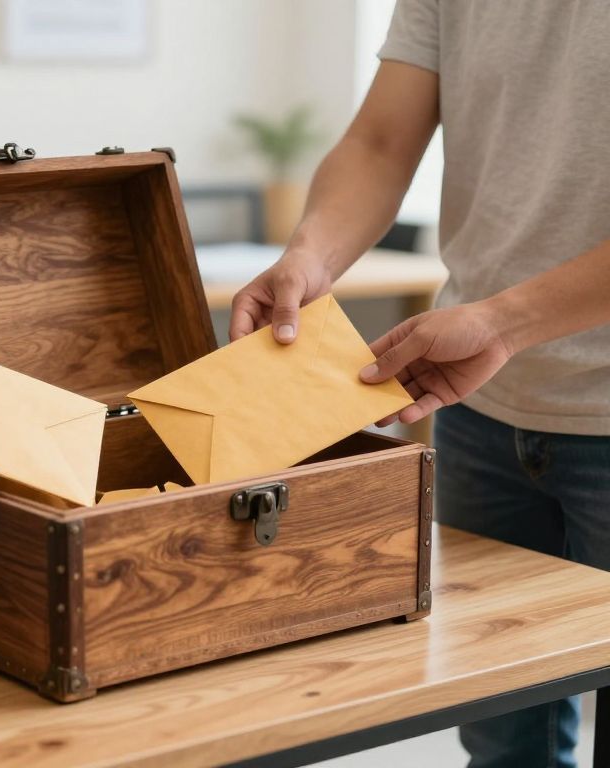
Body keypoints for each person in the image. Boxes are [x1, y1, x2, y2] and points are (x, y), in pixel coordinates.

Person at [230, 3, 610, 767]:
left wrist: (502, 324)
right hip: (477, 409)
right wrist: (311, 257)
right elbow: (379, 141)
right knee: (503, 740)